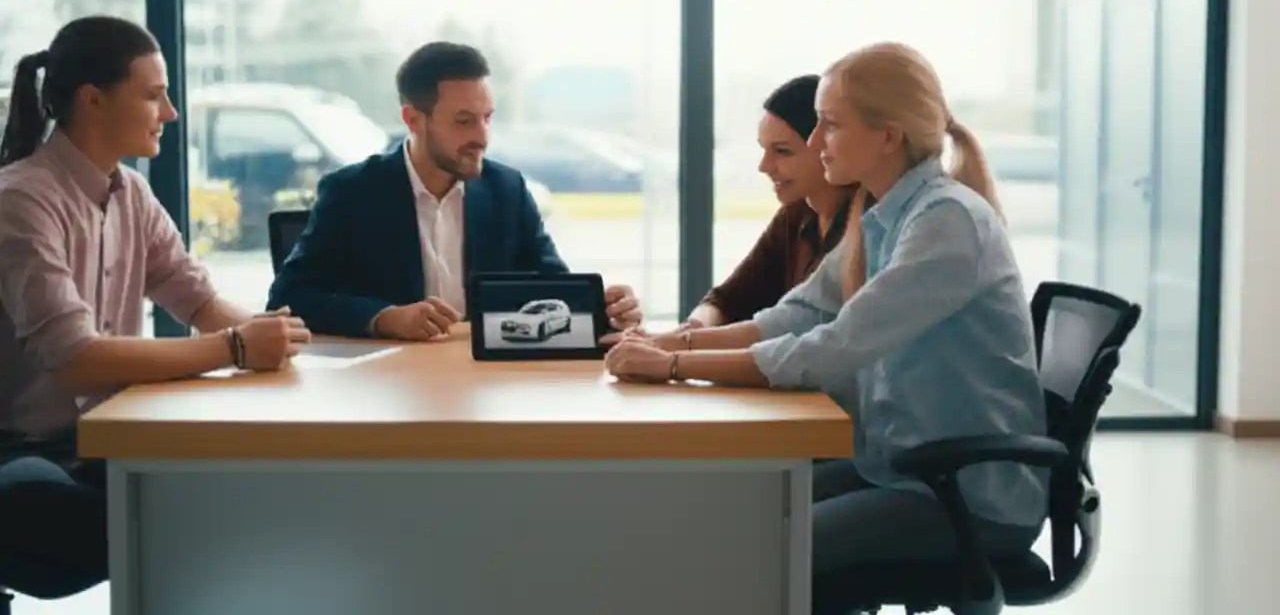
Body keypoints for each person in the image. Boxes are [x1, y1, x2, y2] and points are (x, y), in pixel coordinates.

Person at [605, 42, 1048, 576]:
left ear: (888, 136)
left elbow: (831, 348)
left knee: (760, 555)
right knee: (731, 515)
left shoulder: (946, 222)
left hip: (969, 496)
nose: (816, 142)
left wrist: (674, 367)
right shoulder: (886, 216)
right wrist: (672, 343)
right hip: (900, 468)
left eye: (830, 125)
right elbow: (799, 314)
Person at [0, 16, 310, 596]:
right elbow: (78, 362)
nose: (170, 112)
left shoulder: (131, 193)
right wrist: (236, 348)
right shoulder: (22, 200)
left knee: (230, 495)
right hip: (26, 452)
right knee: (125, 519)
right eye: (154, 95)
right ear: (93, 100)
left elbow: (200, 300)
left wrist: (293, 342)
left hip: (110, 441)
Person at [267, 42, 643, 340]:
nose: (482, 137)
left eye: (486, 118)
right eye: (464, 121)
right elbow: (288, 298)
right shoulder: (352, 192)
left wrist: (603, 308)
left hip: (483, 379)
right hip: (386, 383)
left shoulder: (506, 190)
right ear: (413, 120)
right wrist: (384, 318)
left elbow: (554, 289)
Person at [683, 74, 857, 330]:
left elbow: (802, 338)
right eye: (764, 149)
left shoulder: (865, 225)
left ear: (826, 148)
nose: (764, 166)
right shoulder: (796, 214)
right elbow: (728, 300)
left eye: (782, 151)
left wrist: (683, 345)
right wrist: (691, 328)